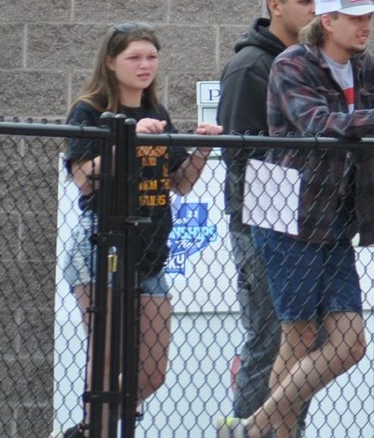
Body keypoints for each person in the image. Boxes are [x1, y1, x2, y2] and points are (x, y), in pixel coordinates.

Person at [225, 0, 374, 438]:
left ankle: (255, 427)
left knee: (349, 343)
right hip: (286, 215)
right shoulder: (292, 63)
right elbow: (318, 123)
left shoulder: (368, 66)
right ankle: (272, 432)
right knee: (298, 338)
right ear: (328, 21)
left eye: (369, 17)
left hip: (335, 220)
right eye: (356, 17)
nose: (366, 25)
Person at [61, 22, 221, 437]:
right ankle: (98, 429)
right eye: (134, 57)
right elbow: (84, 179)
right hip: (104, 242)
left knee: (151, 370)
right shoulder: (90, 111)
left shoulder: (158, 112)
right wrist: (125, 139)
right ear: (111, 62)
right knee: (108, 357)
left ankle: (88, 429)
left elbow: (180, 183)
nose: (145, 65)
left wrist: (203, 147)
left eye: (151, 57)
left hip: (150, 249)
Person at [217, 0, 324, 433]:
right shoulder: (250, 67)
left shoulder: (311, 62)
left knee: (304, 342)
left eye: (320, 1)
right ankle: (248, 429)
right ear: (274, 6)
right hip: (262, 224)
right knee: (270, 340)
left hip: (305, 225)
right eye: (306, 1)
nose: (316, 10)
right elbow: (241, 155)